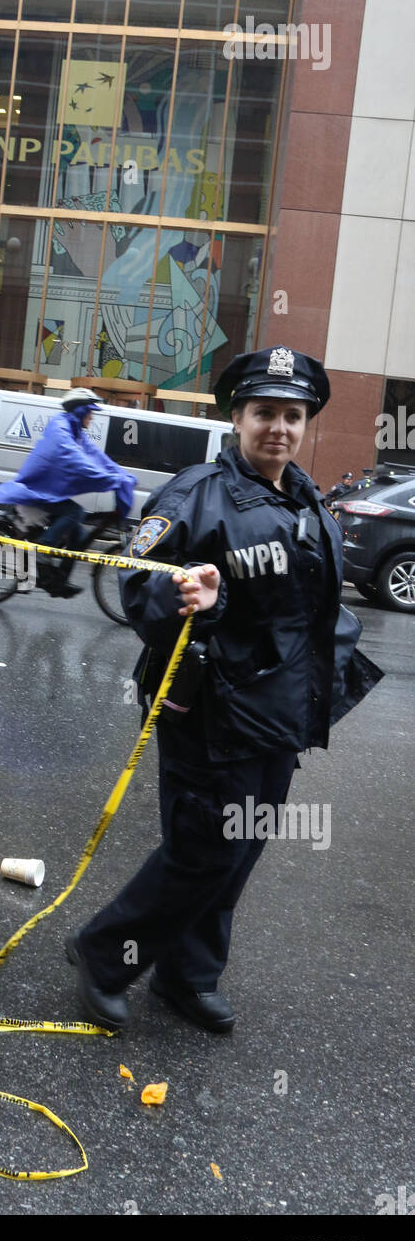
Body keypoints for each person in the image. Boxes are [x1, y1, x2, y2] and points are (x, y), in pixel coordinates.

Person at [66, 346, 382, 1033]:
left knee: (243, 849)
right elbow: (137, 580)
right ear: (237, 417)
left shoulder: (303, 496)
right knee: (204, 848)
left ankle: (188, 976)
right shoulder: (194, 494)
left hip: (280, 714)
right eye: (264, 412)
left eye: (293, 415)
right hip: (209, 710)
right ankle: (103, 953)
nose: (279, 427)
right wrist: (191, 599)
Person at [0, 388, 137, 598]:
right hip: (37, 490)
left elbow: (96, 456)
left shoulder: (75, 431)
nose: (91, 417)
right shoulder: (60, 428)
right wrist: (110, 479)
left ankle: (59, 580)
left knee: (79, 537)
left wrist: (121, 474)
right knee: (74, 512)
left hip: (49, 491)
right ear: (80, 411)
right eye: (90, 413)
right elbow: (73, 456)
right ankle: (42, 553)